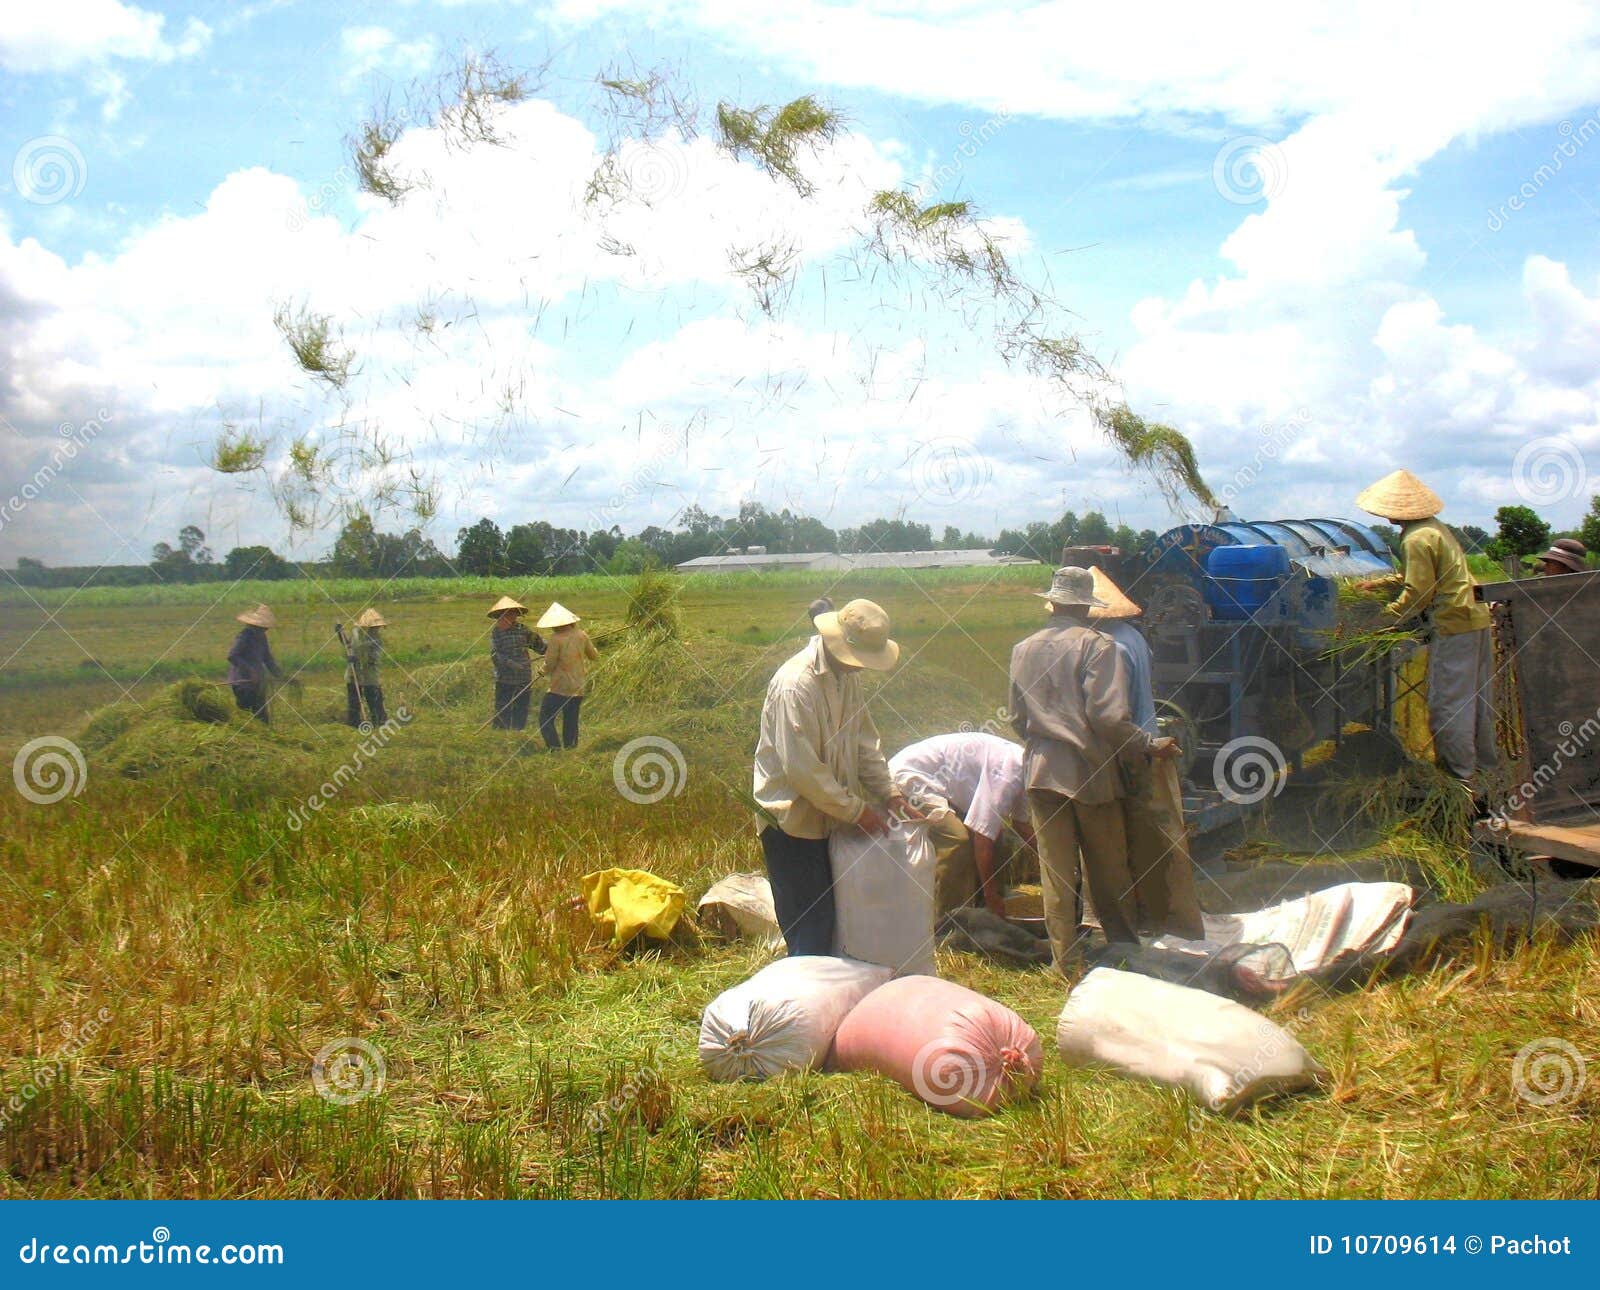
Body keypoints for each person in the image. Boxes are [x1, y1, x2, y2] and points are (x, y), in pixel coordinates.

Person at [1009, 567, 1181, 968]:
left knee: (1056, 874)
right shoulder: (1097, 646)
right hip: (1089, 774)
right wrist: (1148, 745)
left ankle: (1064, 962)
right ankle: (1124, 954)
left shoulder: (1023, 649)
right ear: (1086, 606)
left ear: (1054, 602)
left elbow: (1018, 718)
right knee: (1108, 870)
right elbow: (1107, 718)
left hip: (1040, 773)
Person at [753, 598, 911, 955]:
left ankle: (827, 994)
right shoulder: (795, 686)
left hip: (830, 817)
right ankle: (802, 1001)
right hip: (792, 821)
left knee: (835, 919)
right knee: (810, 924)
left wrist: (888, 792)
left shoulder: (845, 678)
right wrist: (857, 811)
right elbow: (803, 770)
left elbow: (864, 743)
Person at [1355, 470, 1497, 784]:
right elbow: (1426, 576)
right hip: (1475, 616)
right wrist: (1379, 583)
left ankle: (1459, 779)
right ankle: (1487, 772)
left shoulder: (1415, 538)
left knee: (1448, 704)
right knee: (1477, 700)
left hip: (1454, 622)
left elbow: (1418, 593)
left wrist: (1384, 620)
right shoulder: (1434, 529)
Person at [1088, 567, 1205, 939]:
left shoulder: (1110, 648)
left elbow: (1113, 714)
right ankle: (1162, 916)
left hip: (1129, 750)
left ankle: (1143, 919)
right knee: (1152, 837)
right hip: (1148, 740)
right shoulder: (1133, 636)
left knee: (1125, 841)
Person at [888, 732, 1033, 919]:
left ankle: (984, 910)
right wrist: (991, 895)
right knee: (956, 839)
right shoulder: (1008, 776)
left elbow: (1022, 825)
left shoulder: (1026, 771)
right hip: (914, 775)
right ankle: (949, 922)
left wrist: (1052, 861)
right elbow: (982, 840)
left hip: (941, 782)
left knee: (996, 839)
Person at [536, 602, 598, 749]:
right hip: (578, 686)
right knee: (571, 719)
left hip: (560, 687)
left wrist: (541, 671)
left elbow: (550, 664)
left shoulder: (556, 639)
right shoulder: (582, 635)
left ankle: (554, 748)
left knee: (545, 718)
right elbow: (594, 656)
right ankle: (571, 748)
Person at [487, 596, 544, 730]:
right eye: (508, 613)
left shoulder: (523, 630)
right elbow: (495, 654)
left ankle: (518, 731)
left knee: (521, 706)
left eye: (513, 613)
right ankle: (500, 732)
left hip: (523, 676)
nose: (512, 616)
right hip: (505, 677)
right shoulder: (497, 633)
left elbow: (538, 645)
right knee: (503, 706)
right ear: (501, 615)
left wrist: (553, 650)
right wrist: (512, 664)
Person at [227, 605, 282, 724]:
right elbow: (232, 656)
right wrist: (250, 671)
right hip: (243, 682)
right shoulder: (244, 636)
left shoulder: (262, 637)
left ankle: (265, 737)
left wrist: (279, 674)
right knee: (245, 714)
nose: (265, 630)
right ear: (255, 625)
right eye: (263, 627)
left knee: (262, 716)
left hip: (258, 682)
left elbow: (267, 658)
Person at [345, 608, 388, 728]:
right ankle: (354, 722)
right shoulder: (356, 635)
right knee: (354, 699)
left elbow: (374, 657)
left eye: (377, 627)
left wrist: (360, 658)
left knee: (374, 697)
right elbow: (348, 647)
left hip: (370, 672)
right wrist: (340, 635)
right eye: (374, 628)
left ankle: (379, 720)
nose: (376, 629)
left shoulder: (377, 640)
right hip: (354, 672)